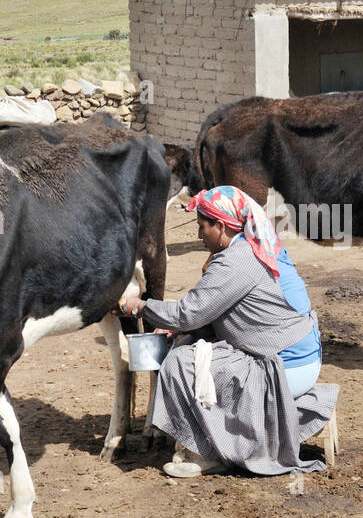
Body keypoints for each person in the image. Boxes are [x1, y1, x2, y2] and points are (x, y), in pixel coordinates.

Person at [118, 186, 337, 478]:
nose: (198, 235)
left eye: (201, 226)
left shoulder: (236, 261)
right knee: (191, 341)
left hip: (285, 365)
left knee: (181, 363)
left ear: (221, 226)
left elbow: (189, 312)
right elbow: (210, 310)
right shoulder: (250, 248)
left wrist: (139, 307)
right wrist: (179, 324)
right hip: (296, 353)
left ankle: (211, 454)